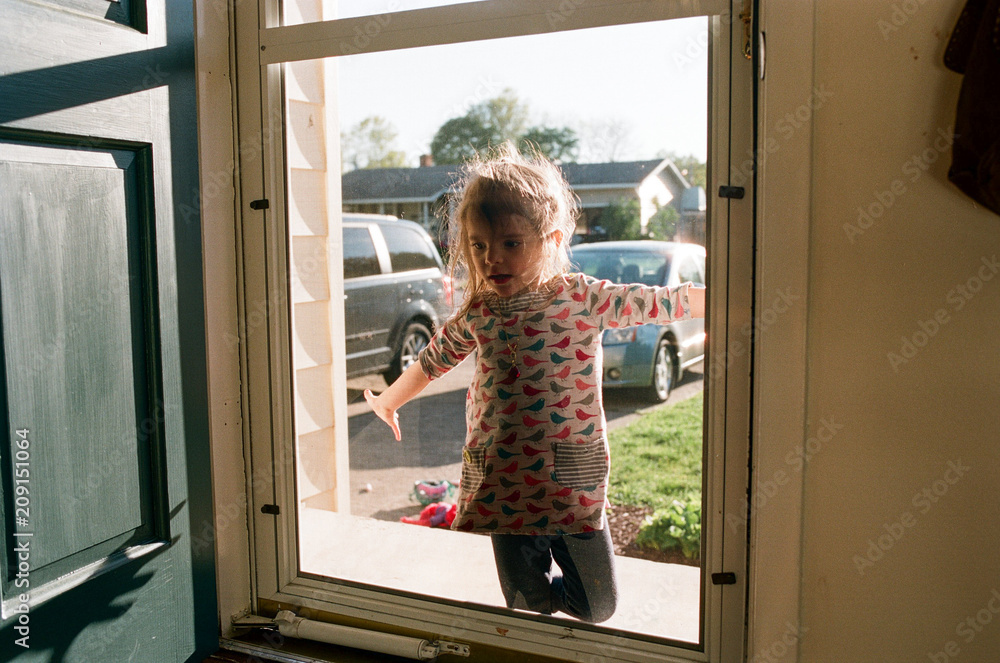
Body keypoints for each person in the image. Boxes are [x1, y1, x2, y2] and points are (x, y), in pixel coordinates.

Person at [364, 146, 706, 623]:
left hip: (571, 486)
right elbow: (432, 360)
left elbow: (659, 302)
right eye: (479, 246)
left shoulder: (582, 298)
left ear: (551, 239)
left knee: (598, 605)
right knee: (526, 608)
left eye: (510, 243)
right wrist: (388, 400)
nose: (491, 259)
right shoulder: (481, 312)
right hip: (504, 487)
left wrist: (726, 297)